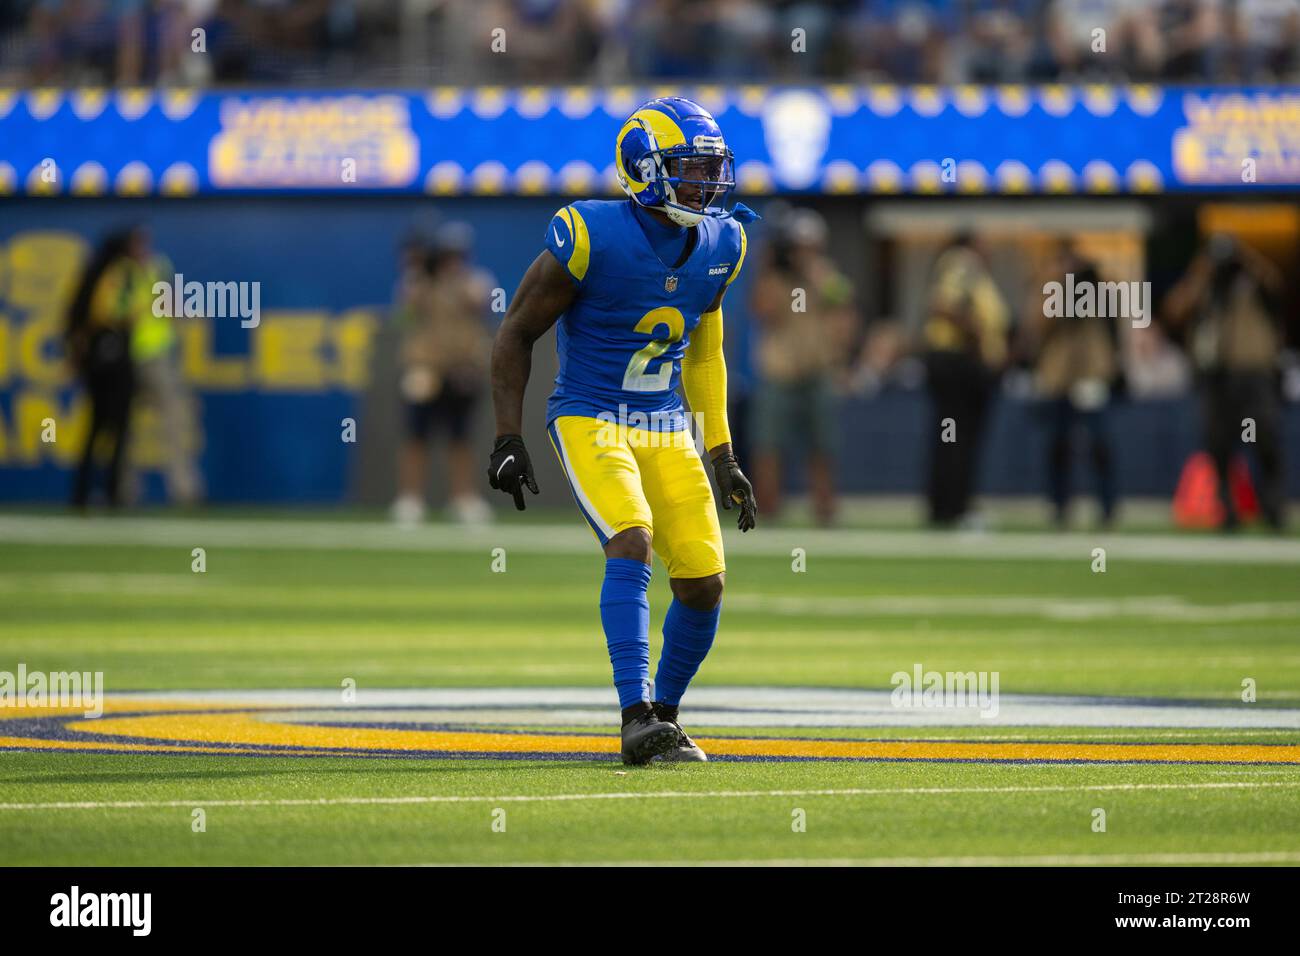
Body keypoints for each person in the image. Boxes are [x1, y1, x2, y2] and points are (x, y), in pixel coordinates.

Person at [487, 96, 758, 765]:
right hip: (590, 412)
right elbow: (516, 332)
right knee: (631, 540)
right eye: (689, 168)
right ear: (643, 168)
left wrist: (722, 454)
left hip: (665, 424)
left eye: (710, 169)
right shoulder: (590, 234)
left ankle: (665, 717)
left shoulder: (726, 241)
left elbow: (703, 351)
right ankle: (634, 714)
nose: (706, 183)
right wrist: (507, 436)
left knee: (703, 579)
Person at [1164, 233, 1286, 530]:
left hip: (1253, 373)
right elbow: (1174, 310)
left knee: (1263, 439)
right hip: (1217, 377)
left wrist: (1244, 257)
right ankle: (1226, 510)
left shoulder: (1251, 284)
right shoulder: (1204, 287)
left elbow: (1276, 284)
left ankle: (1272, 508)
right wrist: (1202, 271)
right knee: (1219, 445)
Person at [748, 207, 856, 525]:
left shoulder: (827, 277)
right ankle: (766, 511)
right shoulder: (774, 279)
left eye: (809, 247)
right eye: (798, 247)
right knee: (768, 444)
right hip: (779, 373)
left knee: (823, 445)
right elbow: (763, 311)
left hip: (818, 372)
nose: (803, 254)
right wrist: (767, 267)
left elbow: (846, 307)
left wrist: (816, 277)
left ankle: (825, 511)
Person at [391, 223, 495, 525]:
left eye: (457, 255)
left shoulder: (474, 281)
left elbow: (480, 301)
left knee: (461, 436)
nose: (452, 261)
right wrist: (420, 272)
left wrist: (452, 282)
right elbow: (405, 311)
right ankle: (410, 499)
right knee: (416, 435)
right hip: (424, 368)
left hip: (461, 367)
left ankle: (462, 498)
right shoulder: (418, 282)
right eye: (446, 255)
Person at [1022, 244, 1121, 528]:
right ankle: (1059, 506)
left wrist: (1090, 283)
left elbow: (1113, 320)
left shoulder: (1096, 289)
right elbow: (1037, 327)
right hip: (1059, 377)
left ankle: (1107, 506)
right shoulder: (1048, 290)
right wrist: (1057, 288)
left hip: (1091, 373)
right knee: (1058, 445)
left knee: (1099, 443)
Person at [920, 233, 1010, 528]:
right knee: (956, 438)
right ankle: (952, 509)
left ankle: (949, 506)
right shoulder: (962, 262)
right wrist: (978, 339)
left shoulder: (973, 271)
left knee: (956, 438)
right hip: (958, 365)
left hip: (959, 365)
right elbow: (943, 305)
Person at [65, 229, 142, 509]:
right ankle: (95, 493)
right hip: (108, 362)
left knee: (110, 429)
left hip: (110, 362)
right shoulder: (114, 275)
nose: (141, 250)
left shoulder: (102, 273)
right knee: (107, 428)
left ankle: (102, 493)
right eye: (136, 244)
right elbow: (98, 316)